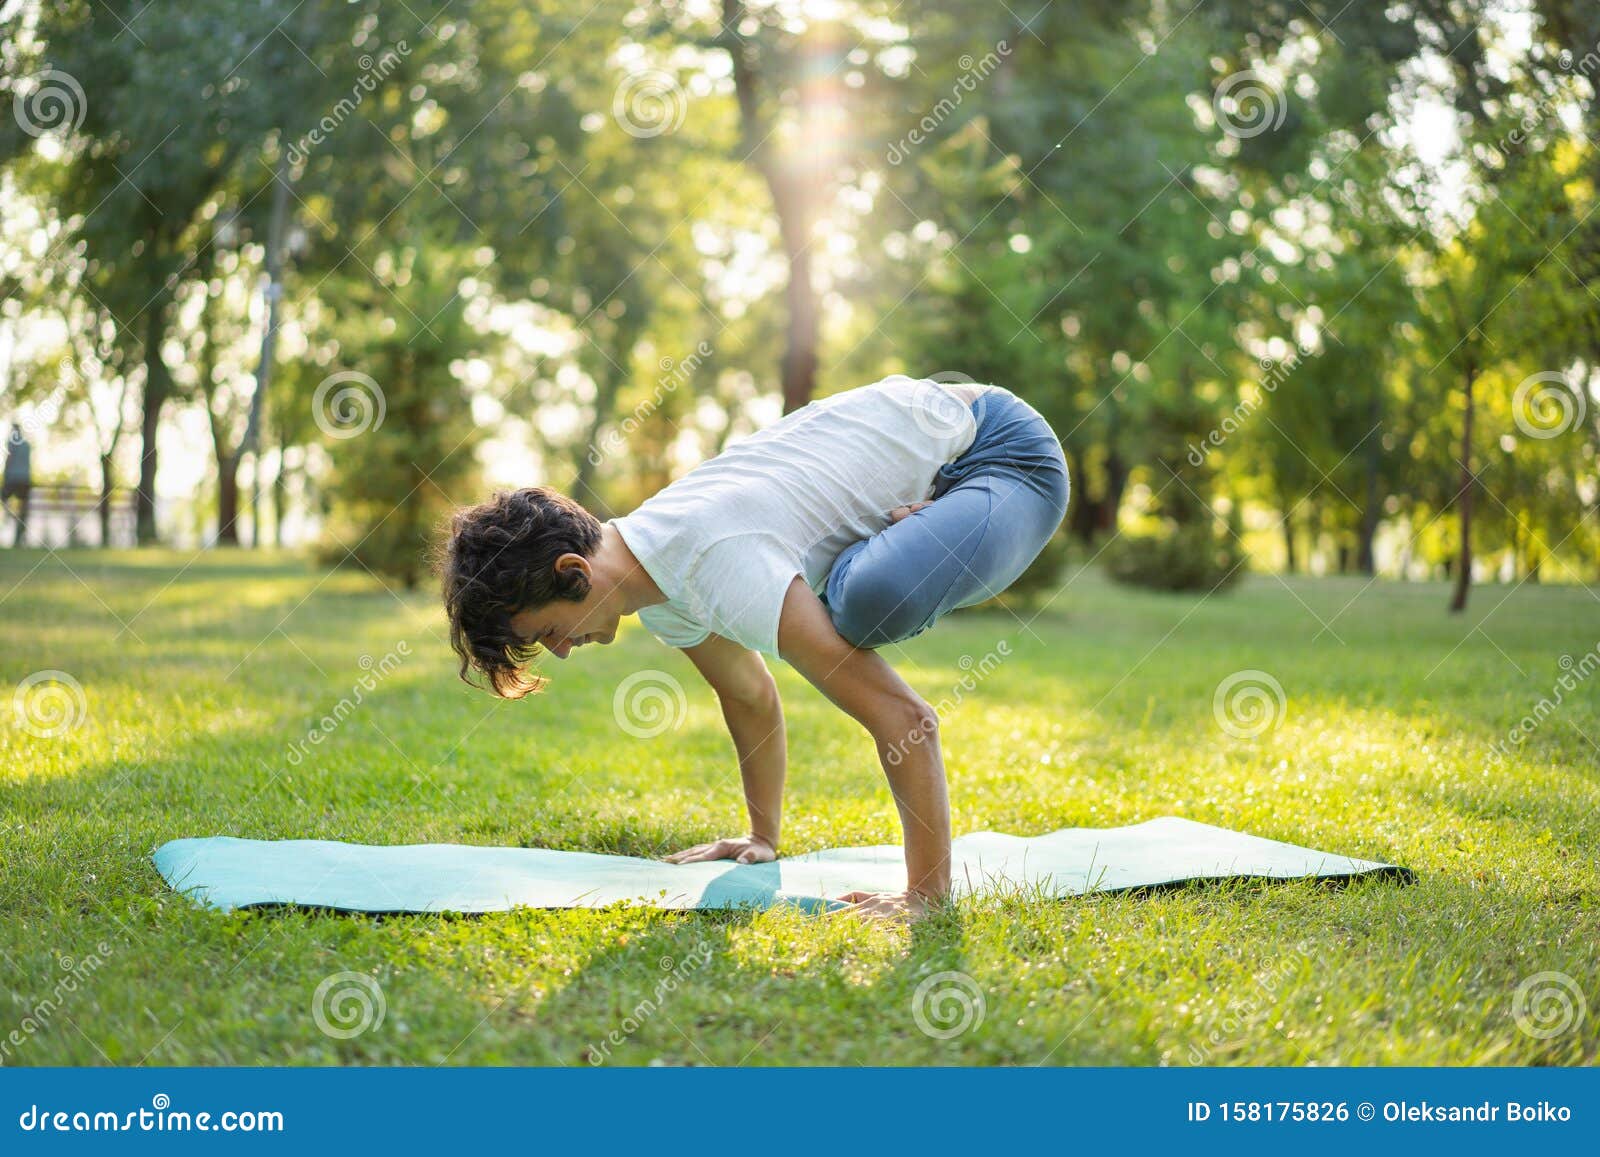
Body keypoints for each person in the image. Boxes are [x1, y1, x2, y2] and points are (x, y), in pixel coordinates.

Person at [440, 375, 1069, 919]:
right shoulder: (659, 587)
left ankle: (917, 528)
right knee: (856, 594)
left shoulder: (713, 555)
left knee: (865, 600)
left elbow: (907, 720)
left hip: (1004, 456)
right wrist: (761, 836)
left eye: (547, 632)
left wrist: (924, 898)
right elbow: (747, 694)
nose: (564, 650)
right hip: (942, 453)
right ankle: (914, 526)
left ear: (573, 570)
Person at [2, 425, 32, 548]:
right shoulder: (26, 444)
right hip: (25, 480)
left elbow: (9, 459)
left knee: (4, 500)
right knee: (23, 510)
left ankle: (9, 516)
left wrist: (5, 475)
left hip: (12, 479)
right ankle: (19, 534)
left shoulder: (12, 443)